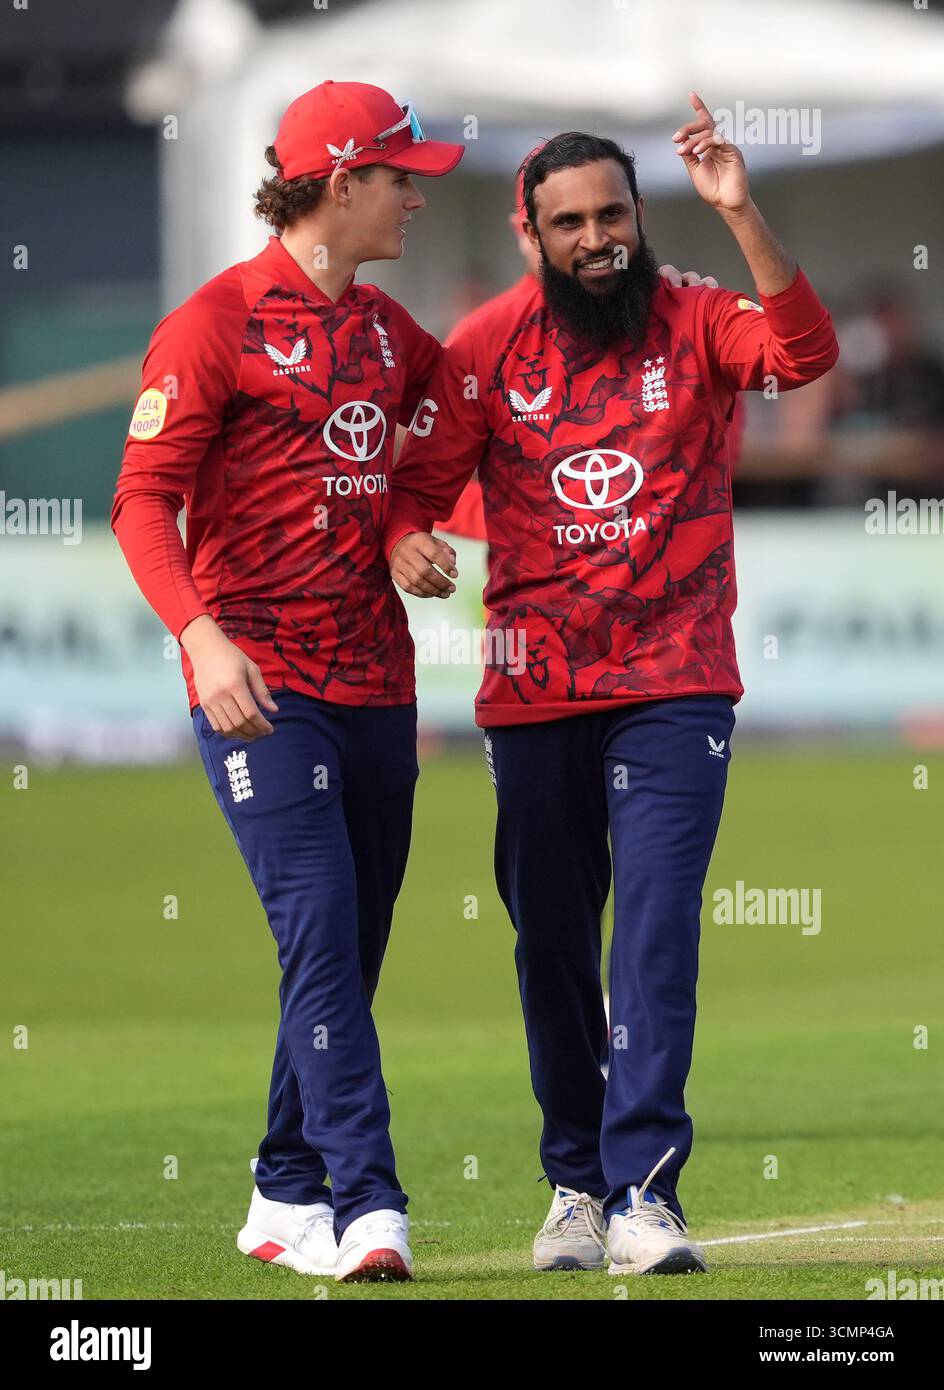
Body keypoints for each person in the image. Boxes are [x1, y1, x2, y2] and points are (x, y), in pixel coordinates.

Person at [385, 93, 839, 1276]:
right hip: (531, 687)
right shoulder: (481, 346)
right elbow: (412, 481)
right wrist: (402, 540)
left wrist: (741, 215)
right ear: (527, 230)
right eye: (571, 221)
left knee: (653, 926)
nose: (598, 239)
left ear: (640, 215)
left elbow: (802, 353)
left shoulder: (694, 317)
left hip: (677, 679)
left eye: (613, 216)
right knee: (548, 943)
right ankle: (571, 1184)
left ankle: (643, 1190)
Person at [111, 80, 464, 1284]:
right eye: (398, 175)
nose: (415, 194)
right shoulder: (212, 324)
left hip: (377, 680)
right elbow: (139, 502)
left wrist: (410, 517)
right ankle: (369, 1206)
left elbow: (444, 413)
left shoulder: (381, 329)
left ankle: (280, 1186)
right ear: (338, 182)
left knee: (346, 947)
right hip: (258, 685)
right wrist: (202, 641)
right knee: (318, 924)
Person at [437, 163, 729, 543]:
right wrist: (546, 519)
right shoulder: (482, 337)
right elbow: (432, 481)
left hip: (660, 580)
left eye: (604, 214)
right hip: (539, 588)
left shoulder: (662, 308)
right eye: (565, 221)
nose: (588, 240)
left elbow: (721, 435)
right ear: (525, 231)